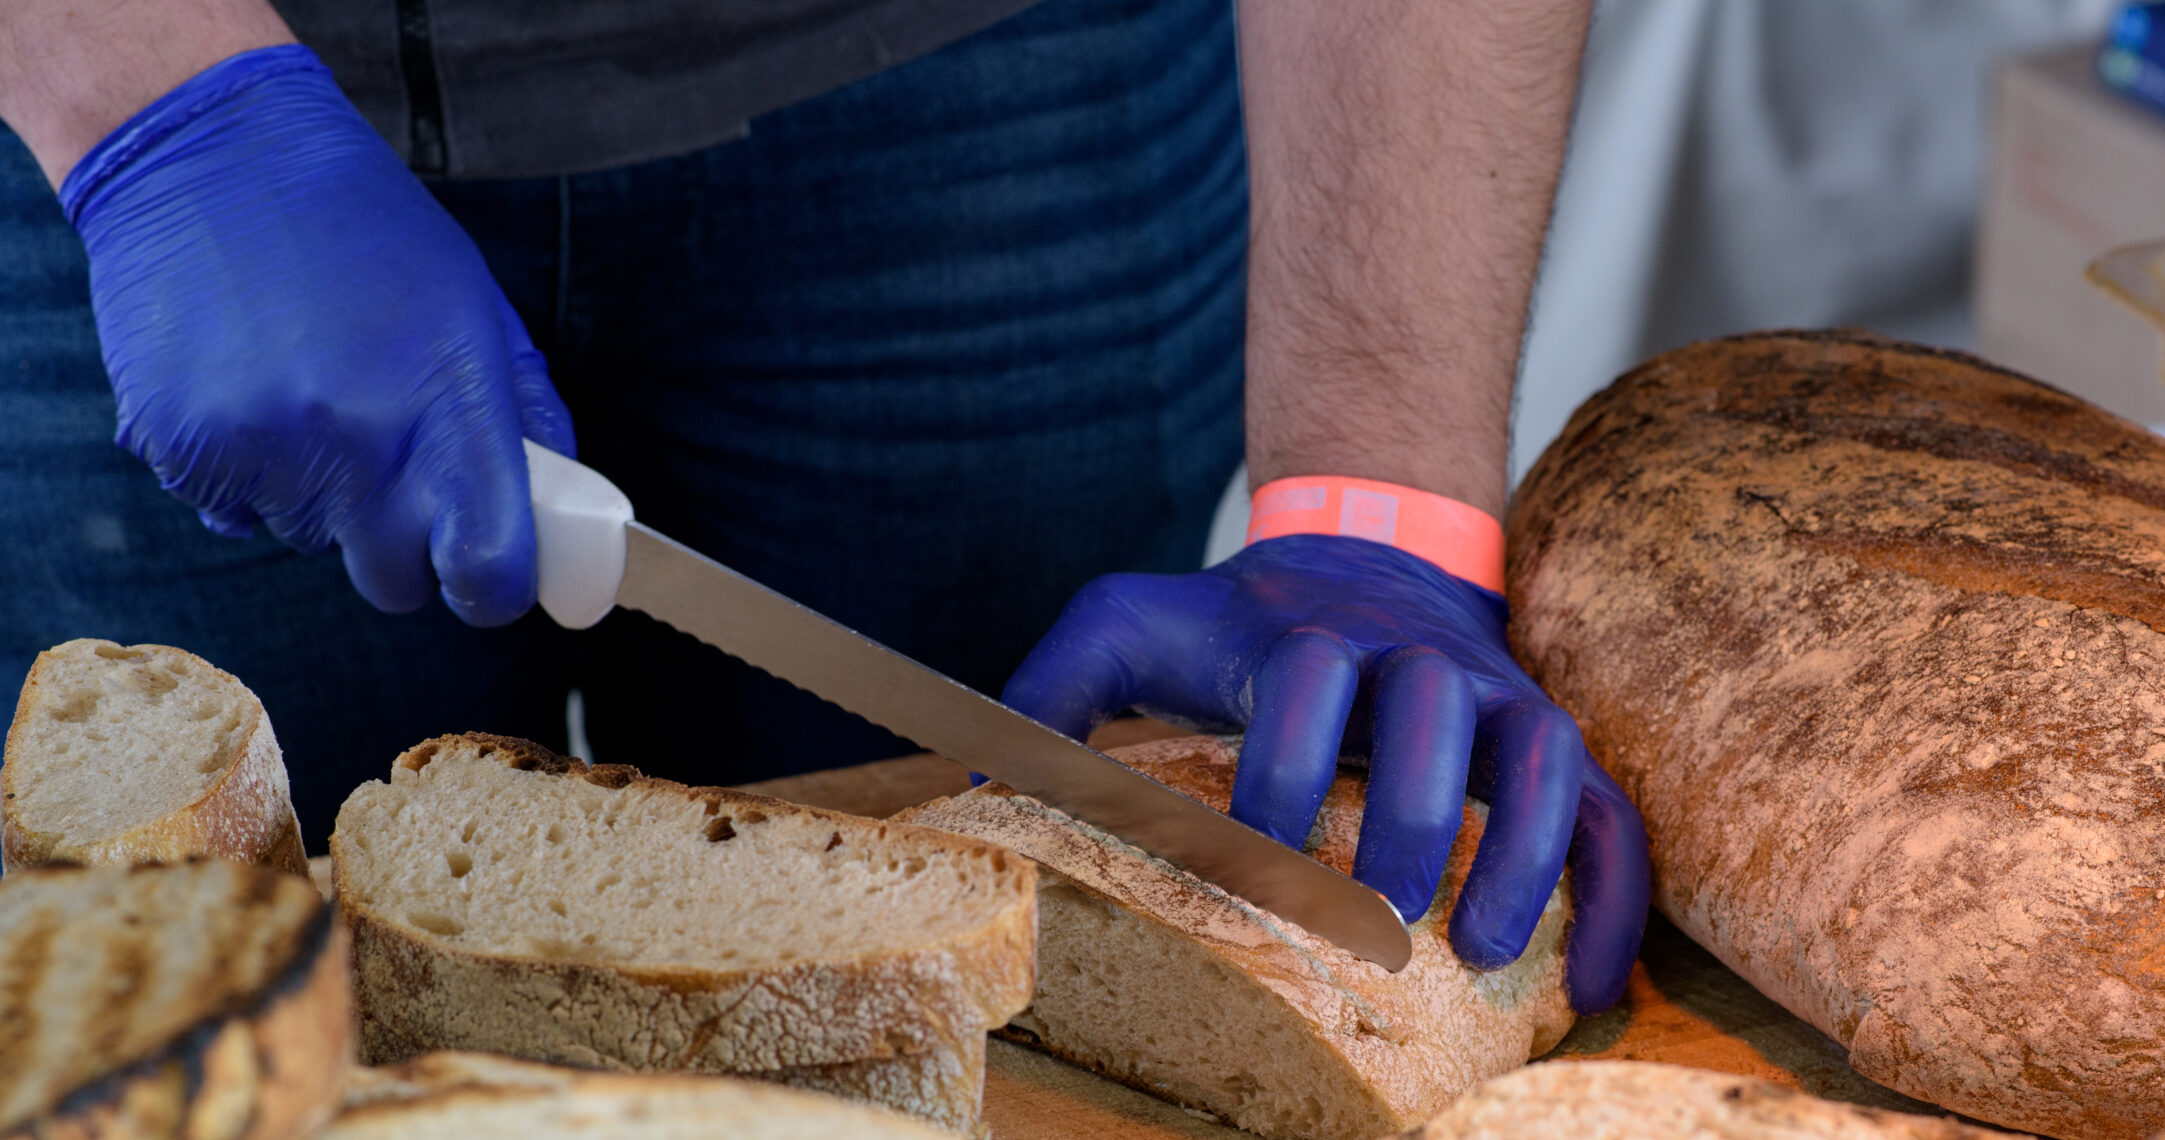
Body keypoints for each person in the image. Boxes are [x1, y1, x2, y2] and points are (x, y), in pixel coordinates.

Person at [0, 0, 1647, 1013]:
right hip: (114, 152)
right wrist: (142, 91)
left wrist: (1381, 488)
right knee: (172, 1003)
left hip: (978, 80)